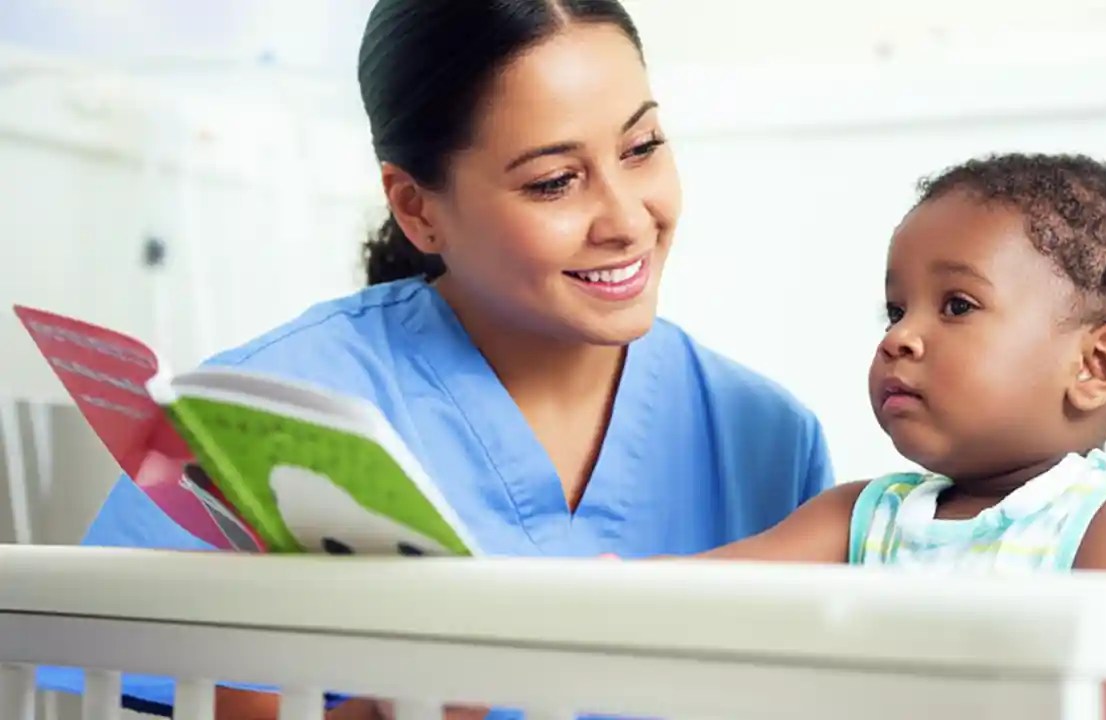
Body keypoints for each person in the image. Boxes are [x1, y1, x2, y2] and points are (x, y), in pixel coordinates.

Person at [35, 1, 834, 718]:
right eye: (555, 182)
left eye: (643, 146)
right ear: (417, 208)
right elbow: (133, 687)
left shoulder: (766, 440)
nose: (626, 219)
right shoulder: (254, 416)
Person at [690, 152, 1106, 720]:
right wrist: (606, 580)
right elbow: (696, 599)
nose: (900, 338)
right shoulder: (861, 518)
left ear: (1098, 365)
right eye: (895, 311)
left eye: (957, 306)